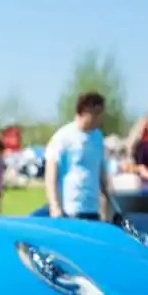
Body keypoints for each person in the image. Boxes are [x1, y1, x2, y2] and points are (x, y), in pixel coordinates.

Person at [44, 91, 113, 220]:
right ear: (85, 112)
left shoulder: (98, 137)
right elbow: (51, 174)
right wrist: (55, 206)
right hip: (70, 210)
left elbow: (101, 173)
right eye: (97, 113)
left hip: (92, 209)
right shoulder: (63, 137)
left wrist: (109, 204)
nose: (101, 118)